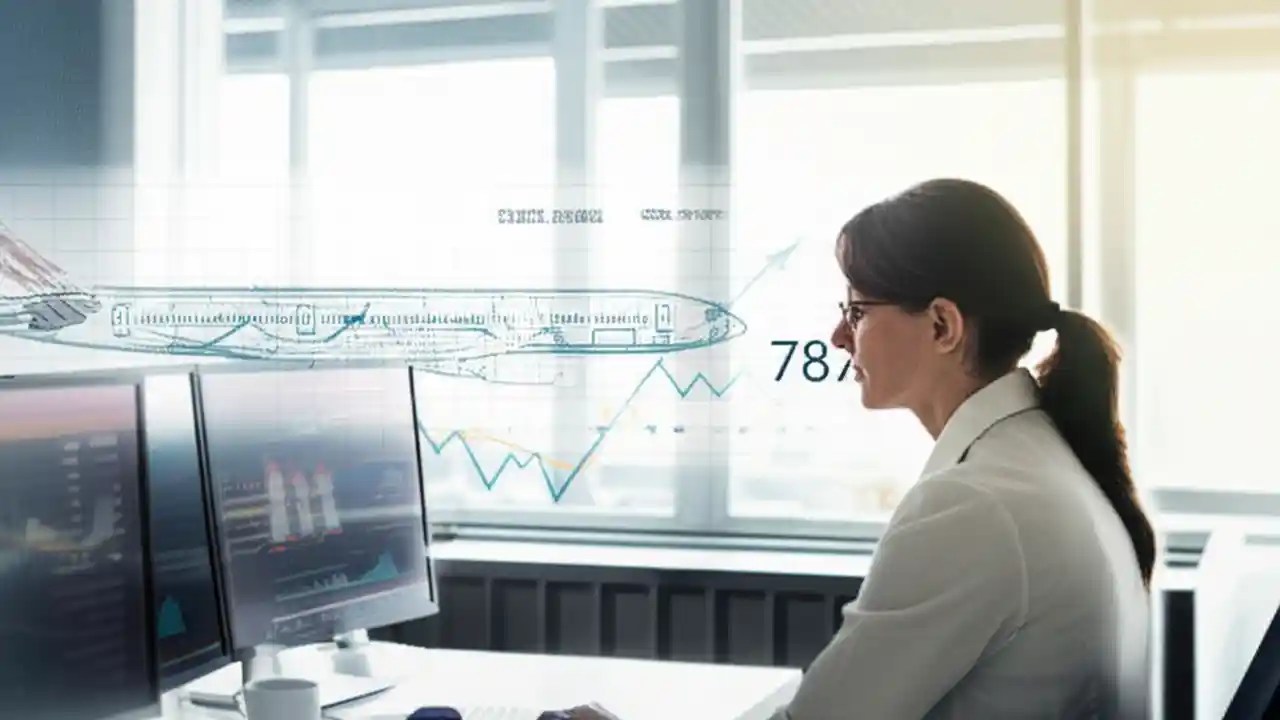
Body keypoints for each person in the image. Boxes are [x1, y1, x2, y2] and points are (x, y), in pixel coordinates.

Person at [566, 178, 1154, 720]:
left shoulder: (975, 505)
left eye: (857, 310)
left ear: (942, 326)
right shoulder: (1039, 462)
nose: (838, 337)